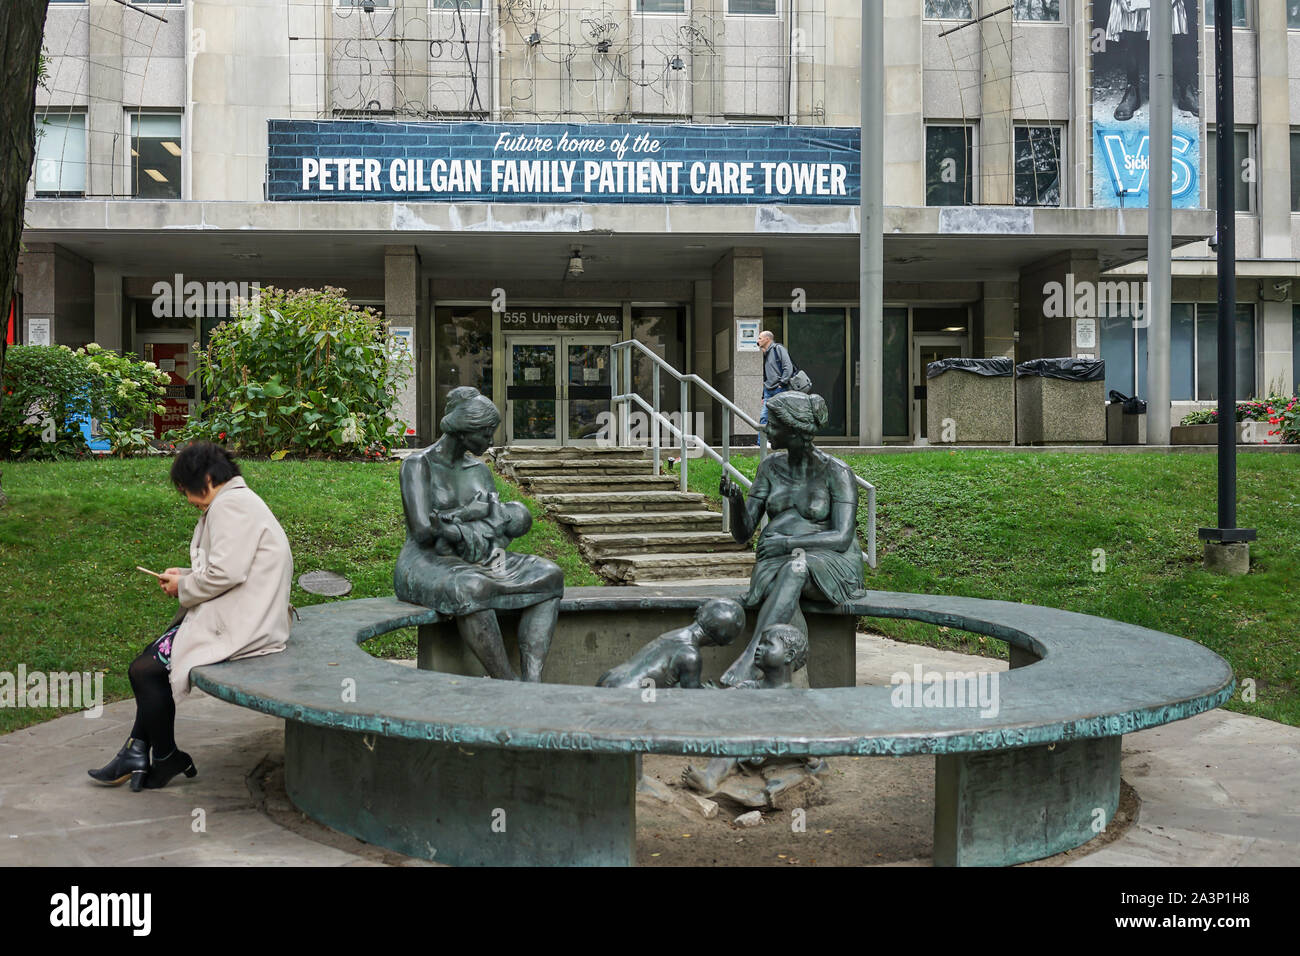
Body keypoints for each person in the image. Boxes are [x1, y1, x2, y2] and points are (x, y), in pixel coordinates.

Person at [88, 442, 293, 791]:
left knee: (145, 669)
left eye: (187, 491)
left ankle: (165, 755)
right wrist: (184, 575)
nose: (189, 500)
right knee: (152, 662)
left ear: (209, 478)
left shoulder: (231, 506)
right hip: (246, 614)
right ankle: (137, 751)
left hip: (245, 624)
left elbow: (227, 574)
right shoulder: (236, 501)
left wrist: (183, 586)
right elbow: (231, 566)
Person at [394, 386, 564, 681]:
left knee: (549, 573)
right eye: (485, 433)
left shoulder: (479, 471)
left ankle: (533, 680)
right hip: (427, 561)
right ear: (463, 429)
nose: (489, 440)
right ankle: (505, 681)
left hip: (480, 555)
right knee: (471, 587)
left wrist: (470, 532)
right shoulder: (417, 465)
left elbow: (497, 525)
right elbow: (423, 532)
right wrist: (473, 528)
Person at [718, 390, 864, 687]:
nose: (767, 430)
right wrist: (734, 502)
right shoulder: (769, 468)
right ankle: (790, 684)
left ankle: (749, 661)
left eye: (773, 425)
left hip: (831, 562)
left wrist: (788, 544)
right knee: (788, 581)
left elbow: (841, 536)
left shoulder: (837, 473)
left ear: (795, 430)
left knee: (796, 568)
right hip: (779, 562)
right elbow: (743, 534)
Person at [596, 598, 746, 690]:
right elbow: (692, 696)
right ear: (721, 642)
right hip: (629, 695)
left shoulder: (672, 635)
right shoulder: (690, 655)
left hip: (609, 679)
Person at [757, 330, 794, 428]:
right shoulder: (766, 353)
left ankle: (780, 441)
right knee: (764, 417)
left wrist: (782, 384)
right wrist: (763, 395)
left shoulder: (778, 349)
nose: (758, 341)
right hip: (768, 390)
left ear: (767, 339)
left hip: (780, 388)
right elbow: (767, 375)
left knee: (780, 418)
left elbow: (788, 367)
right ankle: (762, 443)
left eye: (760, 338)